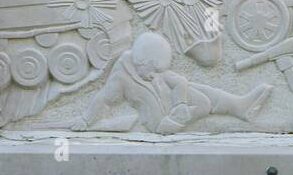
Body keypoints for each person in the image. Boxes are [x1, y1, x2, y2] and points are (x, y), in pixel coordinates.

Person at [76, 31, 271, 133]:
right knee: (202, 103)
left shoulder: (151, 69)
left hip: (171, 107)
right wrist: (85, 120)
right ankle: (235, 108)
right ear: (141, 62)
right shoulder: (122, 75)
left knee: (196, 88)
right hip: (160, 123)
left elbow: (179, 81)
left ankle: (239, 106)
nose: (156, 76)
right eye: (154, 71)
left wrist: (180, 104)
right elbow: (105, 98)